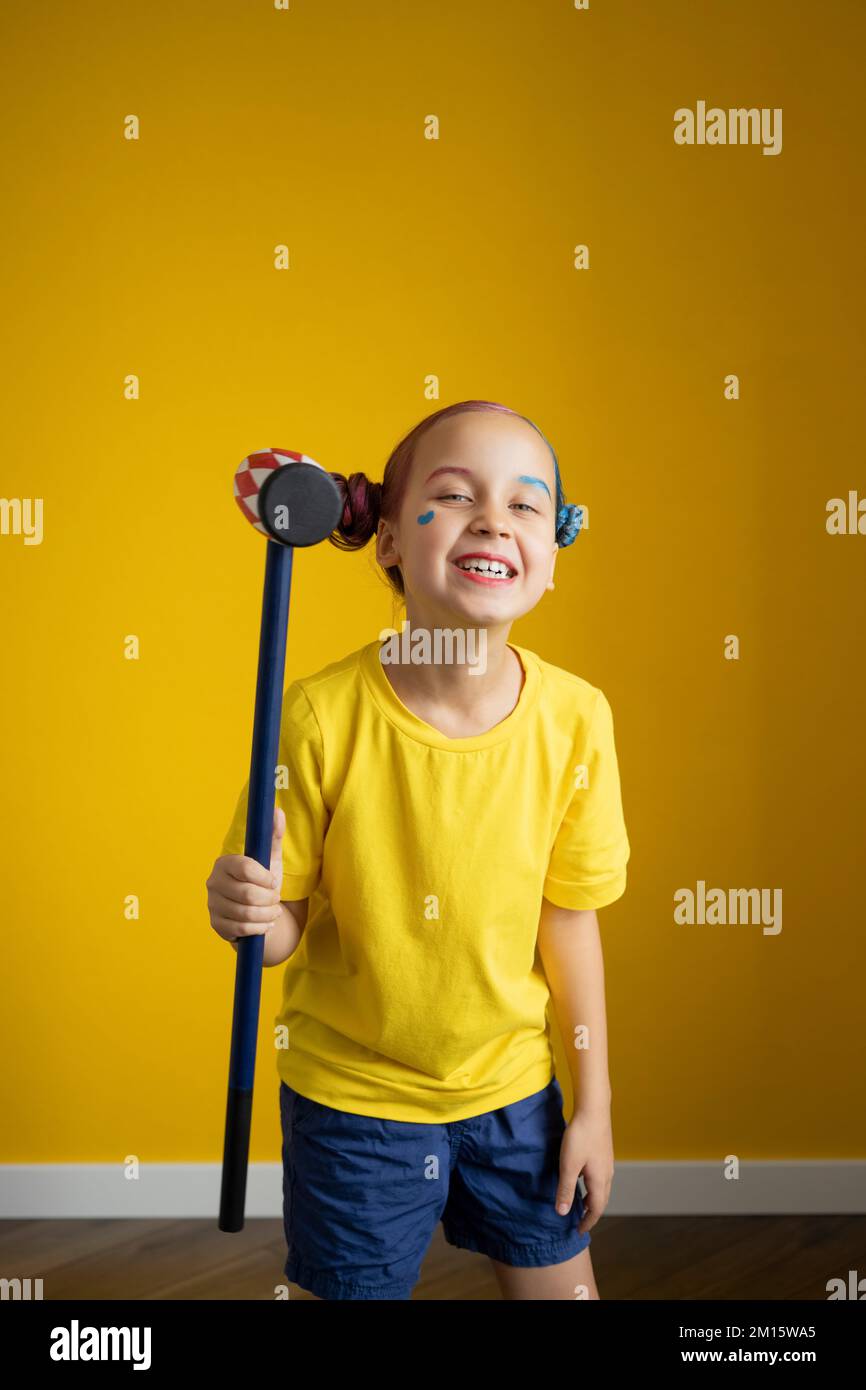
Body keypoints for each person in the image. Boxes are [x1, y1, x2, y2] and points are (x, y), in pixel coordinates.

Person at [206, 399, 630, 1300]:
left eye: (524, 504)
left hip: (518, 1095)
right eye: (454, 495)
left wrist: (591, 1108)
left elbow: (571, 924)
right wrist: (250, 914)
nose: (492, 519)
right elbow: (280, 929)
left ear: (552, 554)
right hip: (356, 1104)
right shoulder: (320, 717)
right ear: (391, 541)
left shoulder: (577, 720)